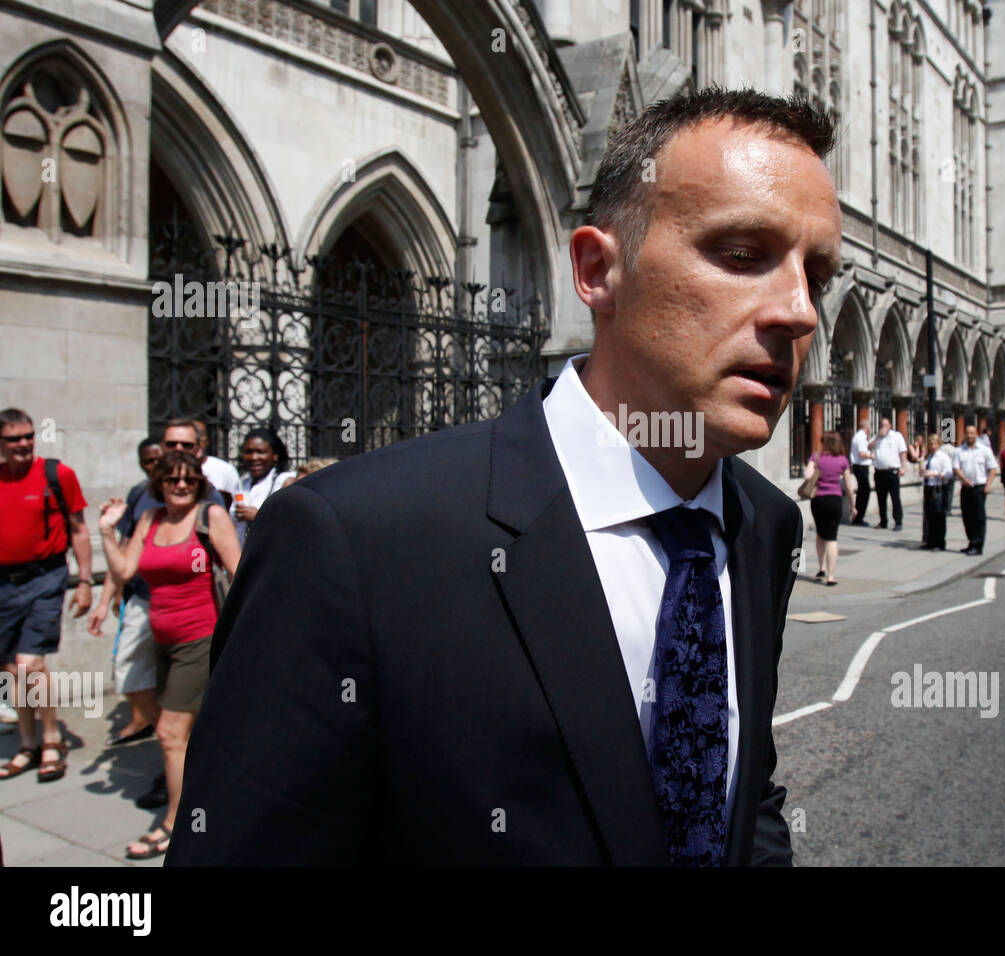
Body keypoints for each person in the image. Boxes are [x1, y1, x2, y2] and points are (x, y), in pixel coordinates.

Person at [167, 88, 840, 866]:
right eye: (742, 254)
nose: (799, 312)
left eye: (815, 275)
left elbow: (742, 790)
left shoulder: (762, 524)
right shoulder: (355, 539)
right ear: (597, 270)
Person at [98, 449, 240, 859]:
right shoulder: (149, 519)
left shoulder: (209, 516)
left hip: (199, 638)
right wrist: (107, 532)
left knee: (169, 733)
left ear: (200, 484)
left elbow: (239, 569)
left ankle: (175, 823)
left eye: (189, 480)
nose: (180, 486)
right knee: (186, 733)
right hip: (162, 639)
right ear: (158, 483)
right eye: (172, 479)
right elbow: (125, 571)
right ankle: (212, 801)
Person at [0, 409, 93, 783]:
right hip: (3, 584)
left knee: (28, 665)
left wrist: (86, 581)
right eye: (14, 439)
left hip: (44, 577)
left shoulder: (57, 474)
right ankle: (28, 743)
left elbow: (80, 531)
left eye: (28, 436)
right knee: (9, 670)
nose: (23, 444)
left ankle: (52, 738)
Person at [88, 437, 165, 746]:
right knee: (128, 673)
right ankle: (168, 735)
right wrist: (104, 601)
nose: (155, 466)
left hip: (185, 605)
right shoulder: (139, 495)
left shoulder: (197, 493)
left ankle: (177, 745)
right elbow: (122, 551)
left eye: (159, 459)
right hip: (142, 599)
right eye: (148, 461)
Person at [802, 432, 855, 585]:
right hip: (835, 500)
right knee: (831, 537)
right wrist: (852, 506)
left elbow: (807, 475)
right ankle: (831, 576)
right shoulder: (843, 460)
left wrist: (812, 465)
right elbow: (849, 487)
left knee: (820, 533)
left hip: (818, 500)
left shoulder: (816, 457)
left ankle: (821, 568)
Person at [231, 428, 293, 545]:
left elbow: (293, 524)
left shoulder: (284, 481)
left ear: (275, 456)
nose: (254, 457)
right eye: (248, 452)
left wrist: (258, 517)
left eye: (261, 452)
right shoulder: (241, 484)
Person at [952, 424, 999, 556]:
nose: (970, 435)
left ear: (976, 434)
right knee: (967, 517)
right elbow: (956, 468)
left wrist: (989, 485)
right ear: (964, 435)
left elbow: (993, 468)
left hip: (979, 487)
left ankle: (978, 545)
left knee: (978, 517)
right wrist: (964, 479)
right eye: (967, 433)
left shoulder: (984, 450)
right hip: (966, 487)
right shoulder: (959, 451)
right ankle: (971, 542)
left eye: (972, 433)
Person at [867, 416, 908, 530]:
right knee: (881, 498)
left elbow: (903, 452)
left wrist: (903, 467)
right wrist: (878, 437)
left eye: (885, 425)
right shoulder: (877, 437)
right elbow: (869, 447)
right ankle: (883, 521)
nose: (883, 428)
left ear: (890, 425)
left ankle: (898, 521)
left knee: (895, 497)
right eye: (881, 425)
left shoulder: (896, 436)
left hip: (892, 471)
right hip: (879, 472)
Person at [192, 420, 239, 509]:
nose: (196, 441)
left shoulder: (225, 470)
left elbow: (236, 505)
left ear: (207, 440)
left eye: (200, 435)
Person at [920, 434, 953, 551]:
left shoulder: (943, 457)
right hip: (929, 487)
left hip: (938, 487)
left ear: (939, 444)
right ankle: (930, 541)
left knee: (938, 516)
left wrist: (936, 474)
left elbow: (949, 473)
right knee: (929, 515)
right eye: (931, 444)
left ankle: (939, 543)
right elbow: (922, 472)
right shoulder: (929, 457)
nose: (933, 446)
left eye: (935, 444)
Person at [847, 413, 873, 525]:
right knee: (864, 492)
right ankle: (858, 517)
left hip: (859, 466)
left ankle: (858, 516)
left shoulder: (858, 436)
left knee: (863, 491)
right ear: (867, 427)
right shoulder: (861, 437)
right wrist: (872, 456)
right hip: (861, 466)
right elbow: (862, 453)